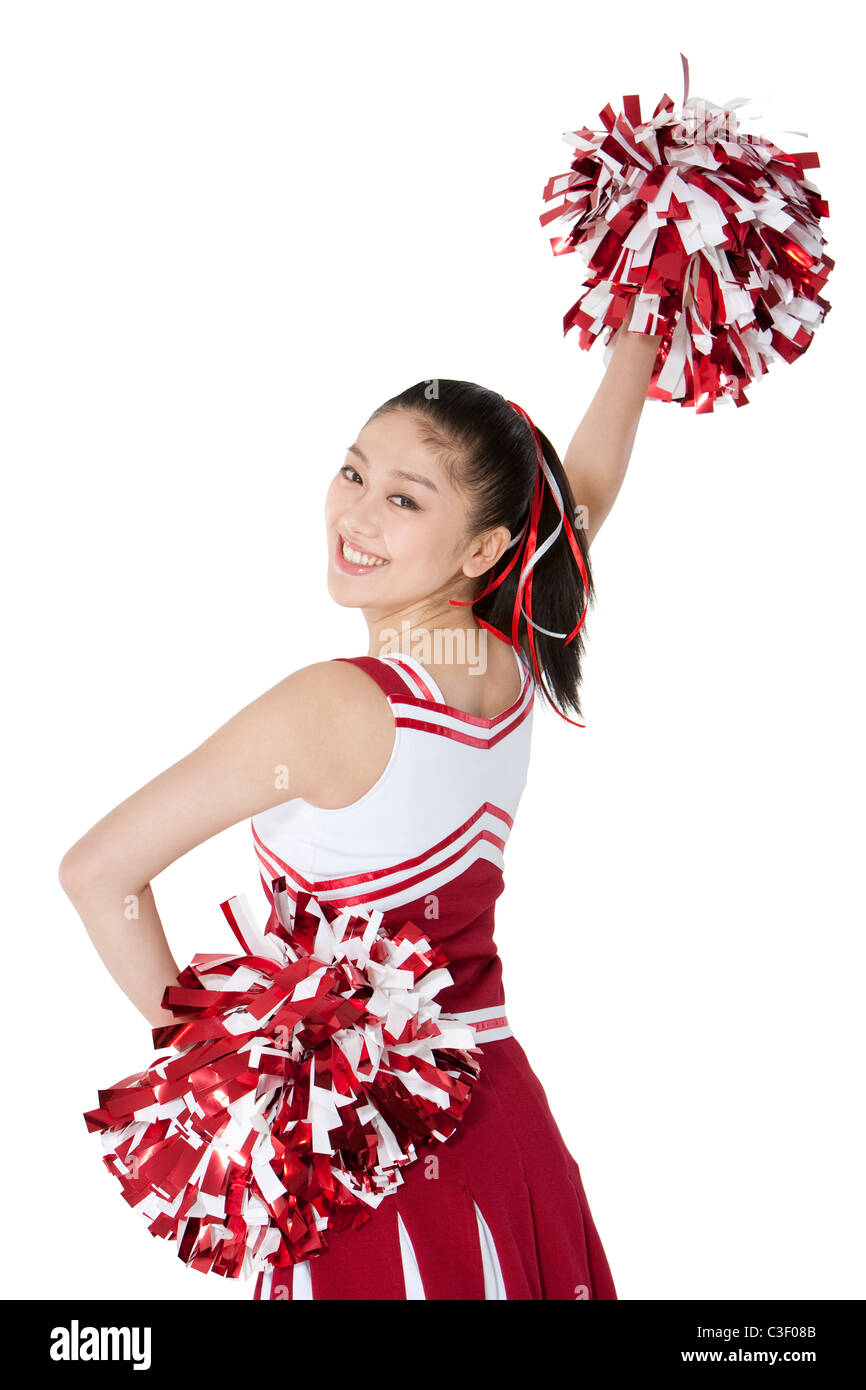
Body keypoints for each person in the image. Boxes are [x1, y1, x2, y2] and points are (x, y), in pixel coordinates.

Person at [59, 304, 661, 1299]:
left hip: (360, 1171)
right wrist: (639, 325)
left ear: (480, 548)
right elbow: (582, 495)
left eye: (404, 499)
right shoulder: (507, 661)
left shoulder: (334, 705)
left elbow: (96, 872)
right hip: (508, 1135)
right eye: (351, 473)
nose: (354, 514)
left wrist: (227, 1078)